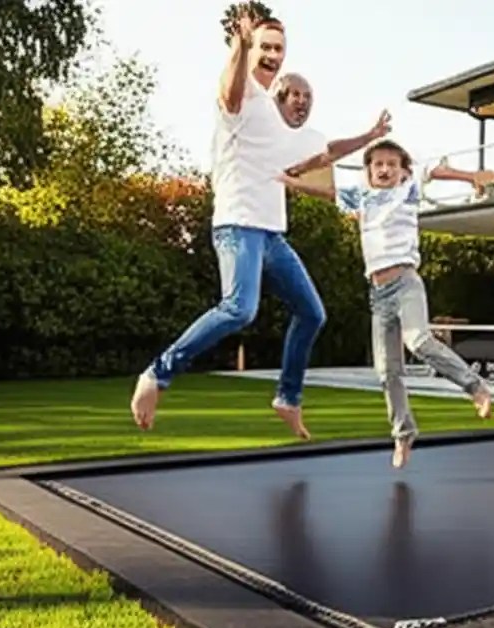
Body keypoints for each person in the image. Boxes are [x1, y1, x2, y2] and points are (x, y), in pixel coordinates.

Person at [128, 12, 388, 440]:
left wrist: (369, 135)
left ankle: (288, 398)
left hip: (271, 235)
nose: (272, 54)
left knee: (312, 312)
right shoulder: (244, 95)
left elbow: (327, 151)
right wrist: (241, 46)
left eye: (278, 49)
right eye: (265, 47)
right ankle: (157, 374)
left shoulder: (288, 127)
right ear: (253, 53)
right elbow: (229, 91)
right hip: (237, 225)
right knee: (239, 307)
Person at [325, 139, 494, 469]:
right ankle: (403, 433)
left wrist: (469, 176)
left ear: (403, 171)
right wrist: (286, 179)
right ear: (368, 171)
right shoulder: (360, 197)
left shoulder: (408, 191)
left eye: (392, 164)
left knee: (419, 340)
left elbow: (436, 170)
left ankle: (476, 388)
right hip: (378, 293)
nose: (385, 169)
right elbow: (326, 191)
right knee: (386, 372)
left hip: (405, 282)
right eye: (378, 164)